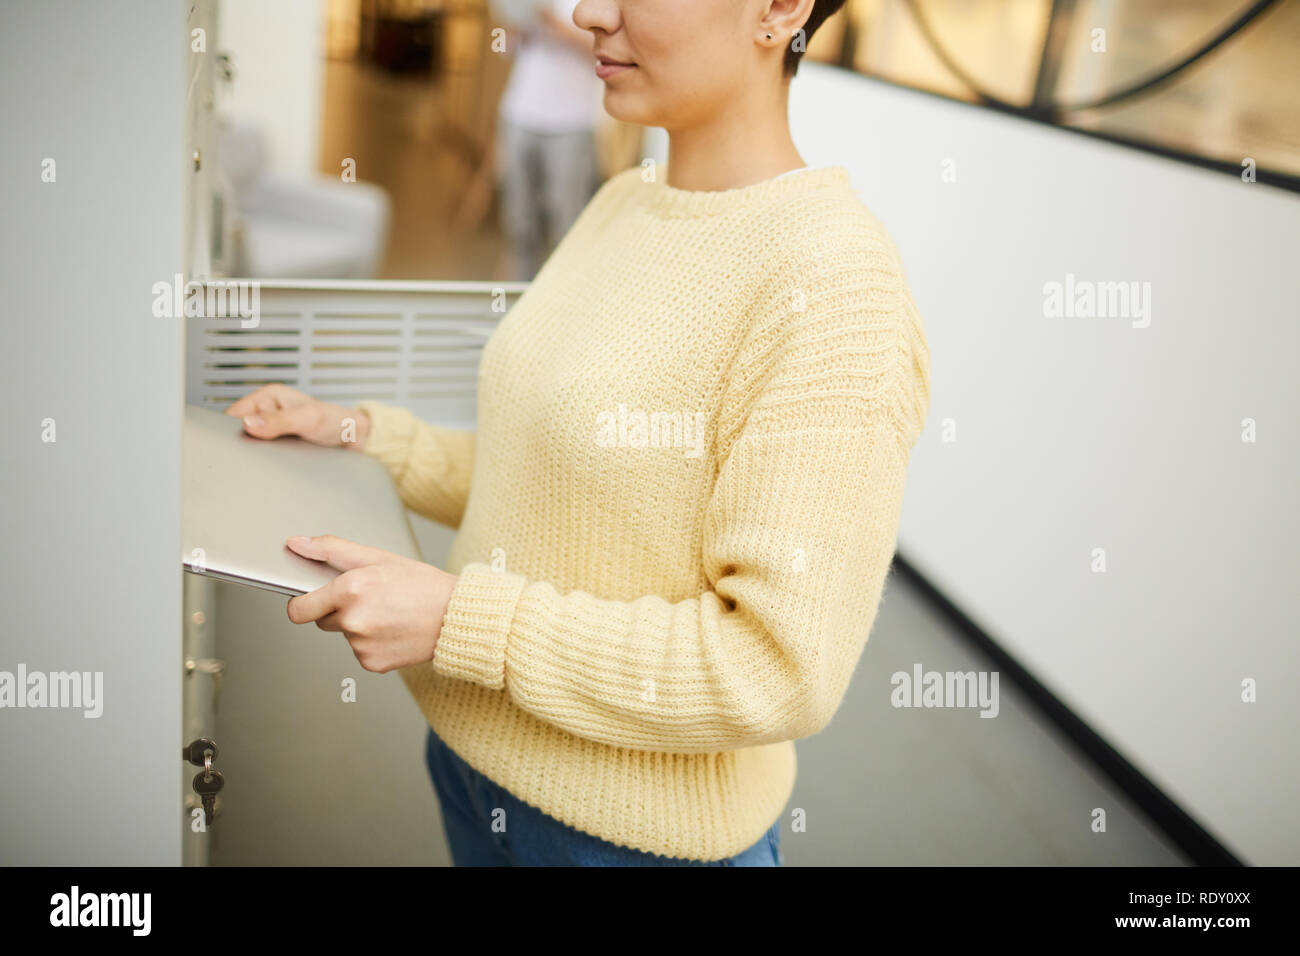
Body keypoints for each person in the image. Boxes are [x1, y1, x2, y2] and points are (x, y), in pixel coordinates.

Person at [225, 0, 930, 867]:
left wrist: (462, 621)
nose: (587, 12)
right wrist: (359, 433)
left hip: (635, 845)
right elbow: (549, 469)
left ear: (780, 8)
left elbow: (775, 668)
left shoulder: (835, 284)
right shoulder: (624, 201)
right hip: (473, 769)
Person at [491, 0, 602, 280]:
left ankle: (559, 303)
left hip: (571, 122)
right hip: (520, 113)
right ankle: (517, 297)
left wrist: (555, 24)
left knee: (566, 221)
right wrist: (516, 30)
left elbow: (602, 52)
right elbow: (504, 50)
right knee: (518, 221)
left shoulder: (595, 7)